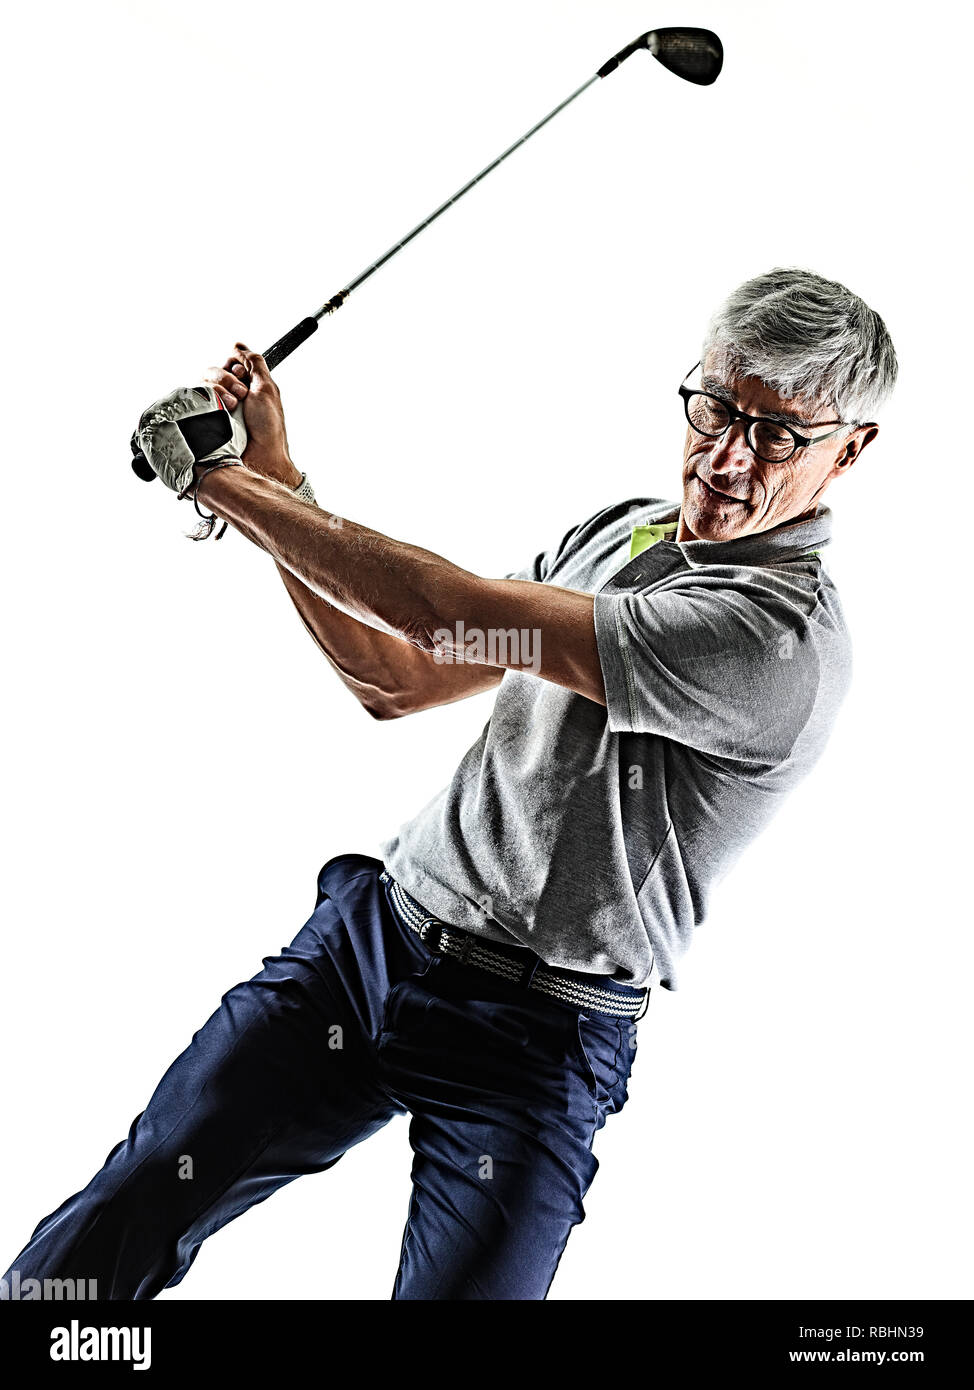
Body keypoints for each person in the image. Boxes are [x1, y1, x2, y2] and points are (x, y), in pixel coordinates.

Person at [1, 267, 897, 1301]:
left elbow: (447, 614)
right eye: (716, 408)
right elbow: (399, 674)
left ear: (850, 447)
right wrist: (275, 487)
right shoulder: (625, 528)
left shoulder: (773, 641)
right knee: (132, 1203)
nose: (729, 457)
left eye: (778, 434)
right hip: (371, 947)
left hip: (533, 1042)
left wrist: (224, 484)